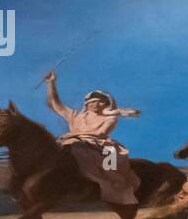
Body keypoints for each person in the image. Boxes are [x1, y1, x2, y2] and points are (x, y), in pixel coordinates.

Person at [44, 71, 140, 204]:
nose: (96, 104)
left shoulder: (110, 117)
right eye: (93, 101)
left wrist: (73, 134)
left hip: (99, 144)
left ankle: (115, 184)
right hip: (73, 142)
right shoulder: (76, 115)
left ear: (106, 105)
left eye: (101, 102)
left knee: (109, 160)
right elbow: (56, 104)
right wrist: (51, 83)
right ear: (87, 103)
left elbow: (101, 133)